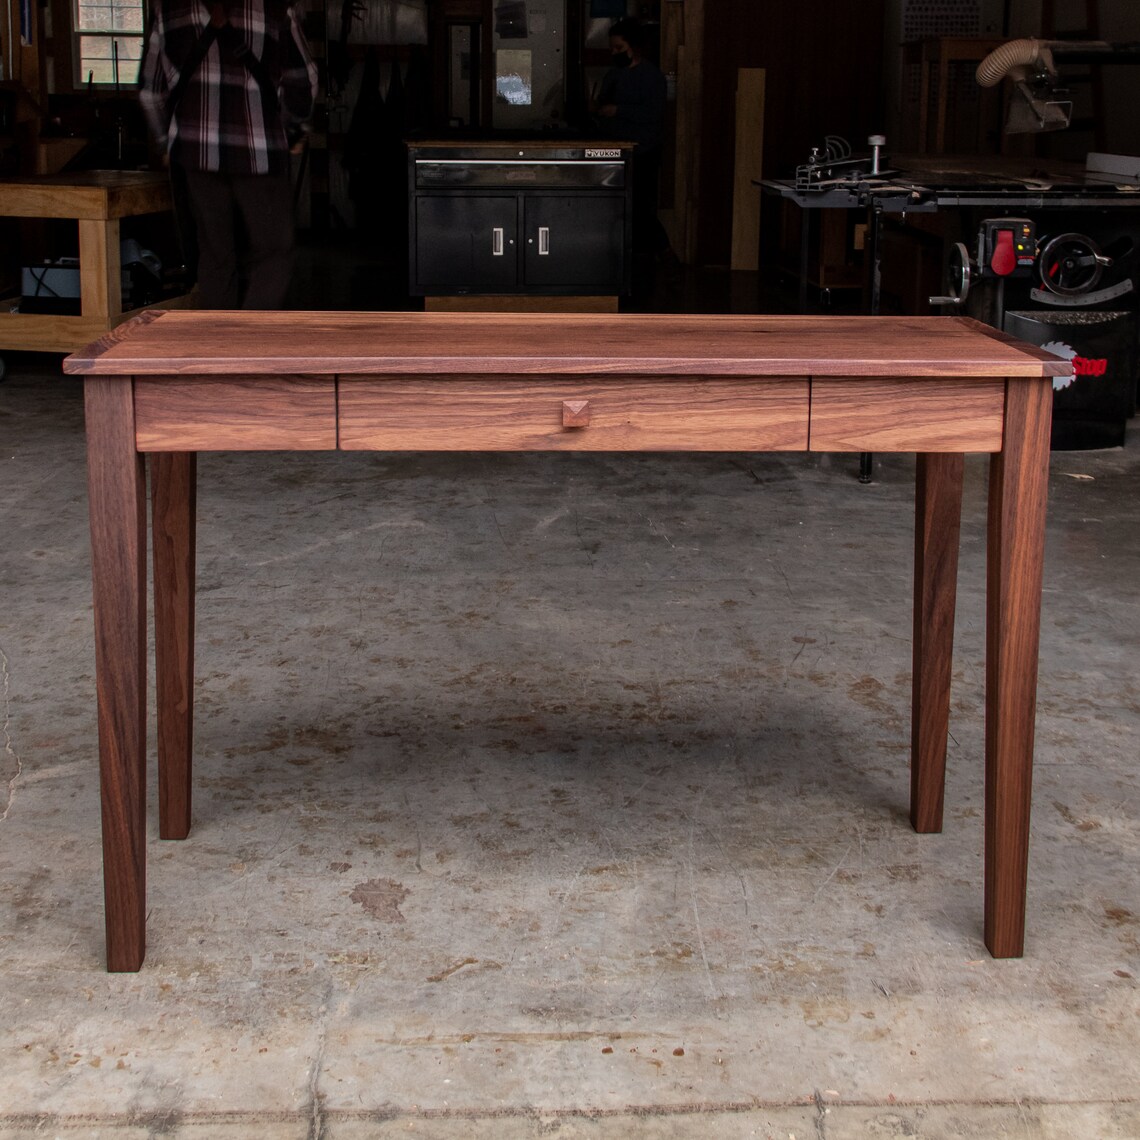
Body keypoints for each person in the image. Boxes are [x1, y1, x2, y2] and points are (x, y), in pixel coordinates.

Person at [140, 0, 318, 309]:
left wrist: (164, 139)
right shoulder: (275, 8)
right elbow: (304, 80)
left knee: (214, 254)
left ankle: (219, 345)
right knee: (275, 251)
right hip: (260, 150)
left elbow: (151, 92)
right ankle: (251, 340)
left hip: (196, 152)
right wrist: (293, 129)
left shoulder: (169, 10)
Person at [593, 18, 674, 293]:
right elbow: (602, 104)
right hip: (613, 150)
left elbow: (653, 115)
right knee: (615, 208)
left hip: (643, 151)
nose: (614, 53)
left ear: (634, 47)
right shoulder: (613, 75)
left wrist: (619, 111)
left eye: (619, 47)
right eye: (612, 49)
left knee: (640, 208)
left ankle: (661, 254)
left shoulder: (651, 77)